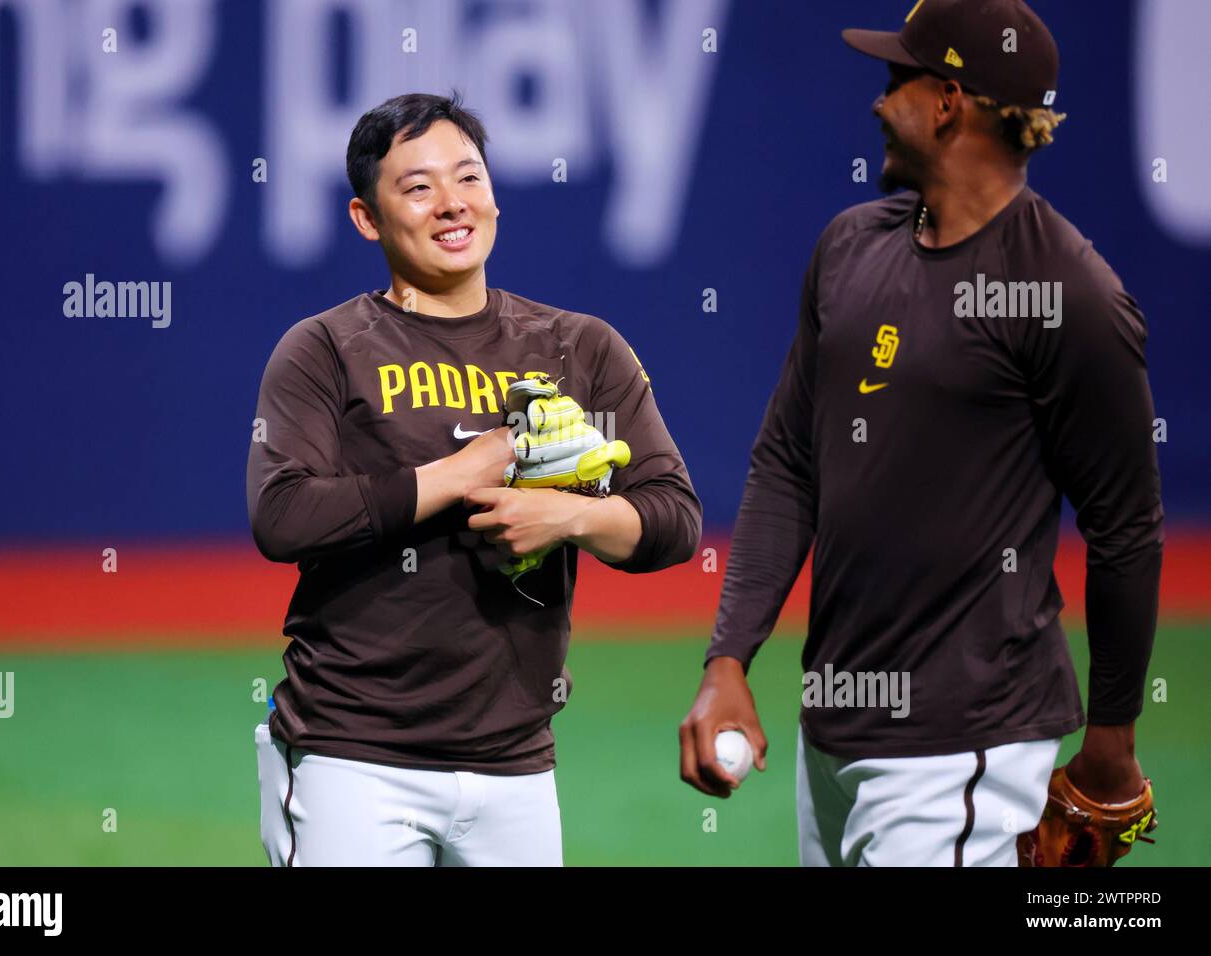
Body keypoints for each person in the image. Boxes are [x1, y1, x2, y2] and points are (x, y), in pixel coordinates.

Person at [678, 0, 1162, 866]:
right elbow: (789, 463)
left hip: (962, 751)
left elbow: (1125, 530)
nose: (876, 101)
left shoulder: (1069, 294)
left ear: (948, 103)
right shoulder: (851, 247)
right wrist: (729, 659)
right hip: (832, 733)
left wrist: (1113, 746)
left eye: (897, 78)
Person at [248, 92, 701, 866]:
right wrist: (461, 473)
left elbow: (673, 518)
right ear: (367, 218)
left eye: (469, 177)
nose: (452, 204)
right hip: (354, 758)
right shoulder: (324, 348)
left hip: (515, 762)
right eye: (418, 187)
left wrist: (567, 521)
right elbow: (282, 516)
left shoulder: (579, 347)